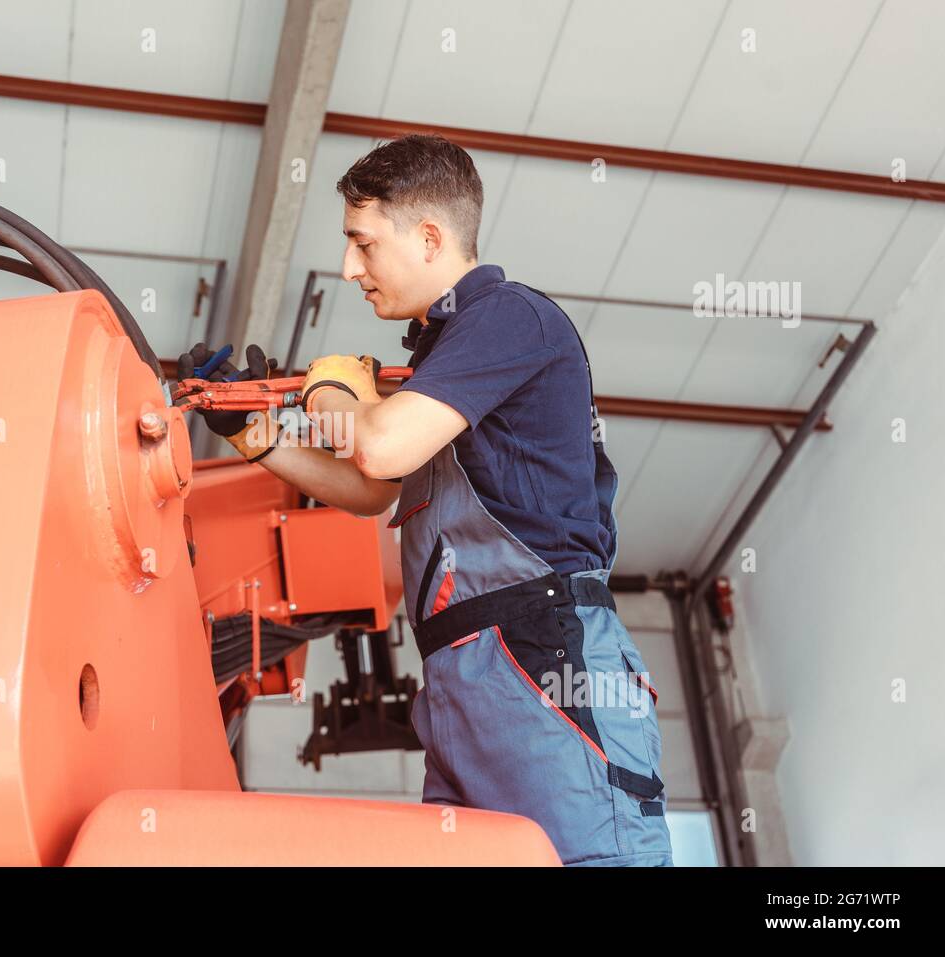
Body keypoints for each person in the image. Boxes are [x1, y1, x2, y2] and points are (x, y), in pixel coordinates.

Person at [179, 133, 672, 866]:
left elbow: (378, 448)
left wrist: (329, 386)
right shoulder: (443, 362)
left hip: (546, 662)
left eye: (363, 243)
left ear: (431, 236)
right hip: (457, 686)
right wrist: (254, 432)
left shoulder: (510, 318)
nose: (350, 269)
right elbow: (367, 489)